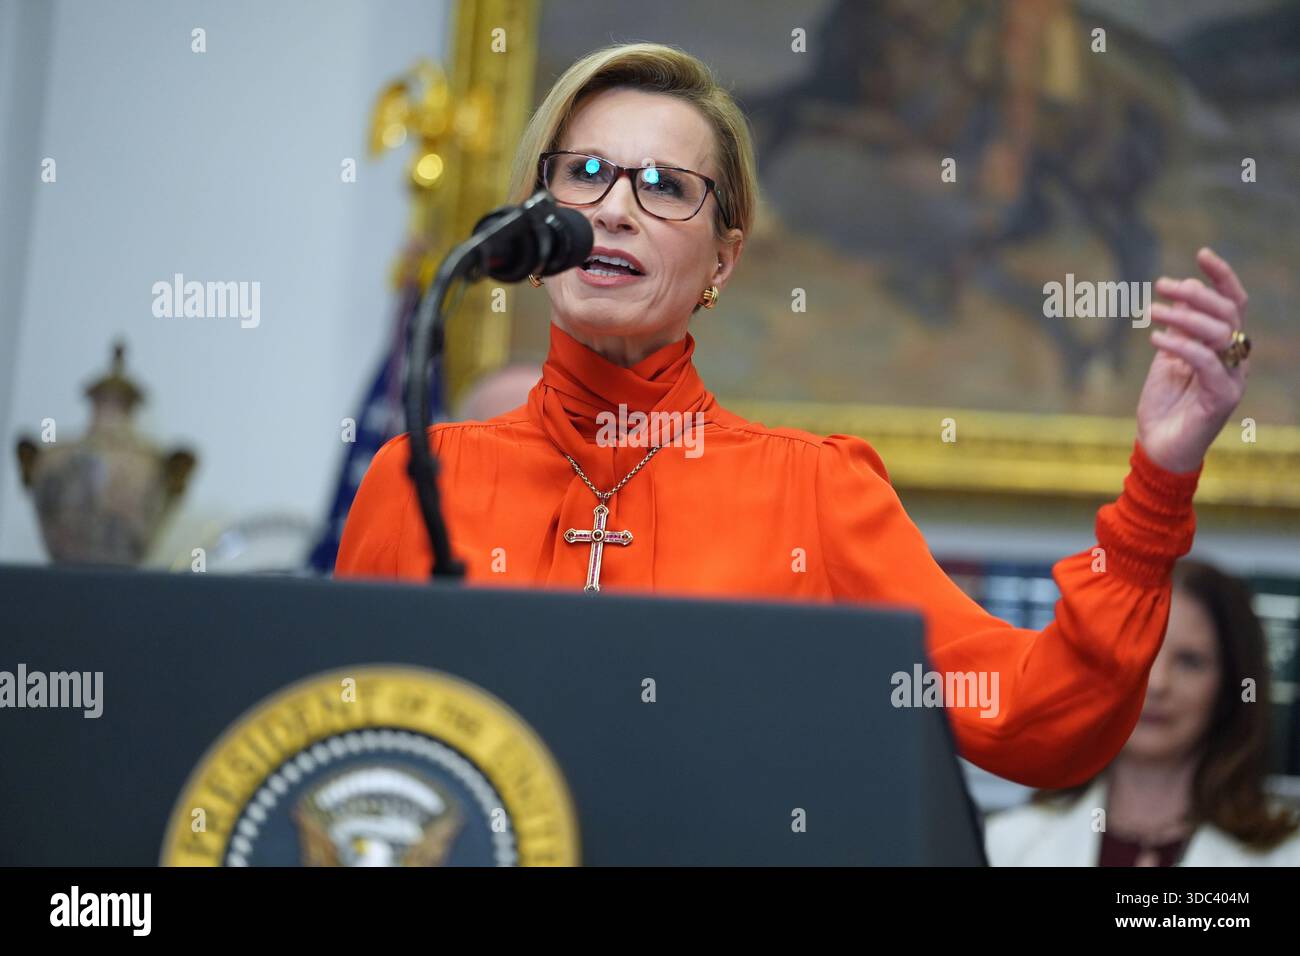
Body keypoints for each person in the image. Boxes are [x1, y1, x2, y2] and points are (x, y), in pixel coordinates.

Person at [335, 43, 1254, 789]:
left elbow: (1032, 719)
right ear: (542, 216)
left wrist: (1157, 484)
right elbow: (333, 750)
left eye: (663, 186)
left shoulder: (812, 490)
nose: (614, 209)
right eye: (584, 173)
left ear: (723, 263)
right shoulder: (415, 479)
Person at [985, 559, 1300, 865]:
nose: (1159, 684)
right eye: (1141, 653)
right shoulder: (1008, 844)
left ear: (1231, 685)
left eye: (1190, 661)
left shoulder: (1286, 855)